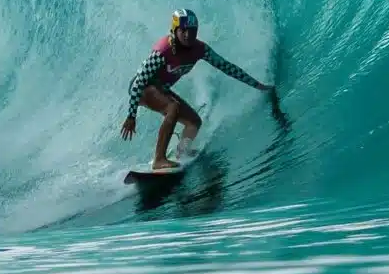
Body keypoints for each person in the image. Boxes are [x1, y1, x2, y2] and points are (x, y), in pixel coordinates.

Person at [119, 9, 282, 170]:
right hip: (143, 88)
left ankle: (182, 151)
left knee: (194, 122)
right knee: (172, 107)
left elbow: (227, 67)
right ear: (175, 30)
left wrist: (258, 85)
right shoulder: (163, 51)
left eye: (192, 31)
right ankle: (159, 159)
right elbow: (138, 83)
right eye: (183, 31)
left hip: (161, 90)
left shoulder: (199, 49)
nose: (188, 35)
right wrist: (131, 116)